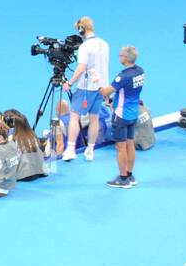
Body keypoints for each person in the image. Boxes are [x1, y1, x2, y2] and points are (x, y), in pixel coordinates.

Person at [62, 16, 110, 161]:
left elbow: (82, 67)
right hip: (102, 86)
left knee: (74, 117)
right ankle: (90, 150)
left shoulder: (84, 47)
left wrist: (69, 83)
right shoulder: (104, 43)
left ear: (81, 29)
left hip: (86, 88)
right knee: (94, 118)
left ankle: (70, 150)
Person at [101, 45, 146, 188]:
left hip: (121, 115)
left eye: (120, 55)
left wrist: (98, 86)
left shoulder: (123, 76)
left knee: (120, 147)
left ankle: (123, 179)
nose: (119, 57)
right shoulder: (140, 71)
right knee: (130, 143)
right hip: (133, 114)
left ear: (125, 58)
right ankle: (130, 175)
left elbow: (106, 91)